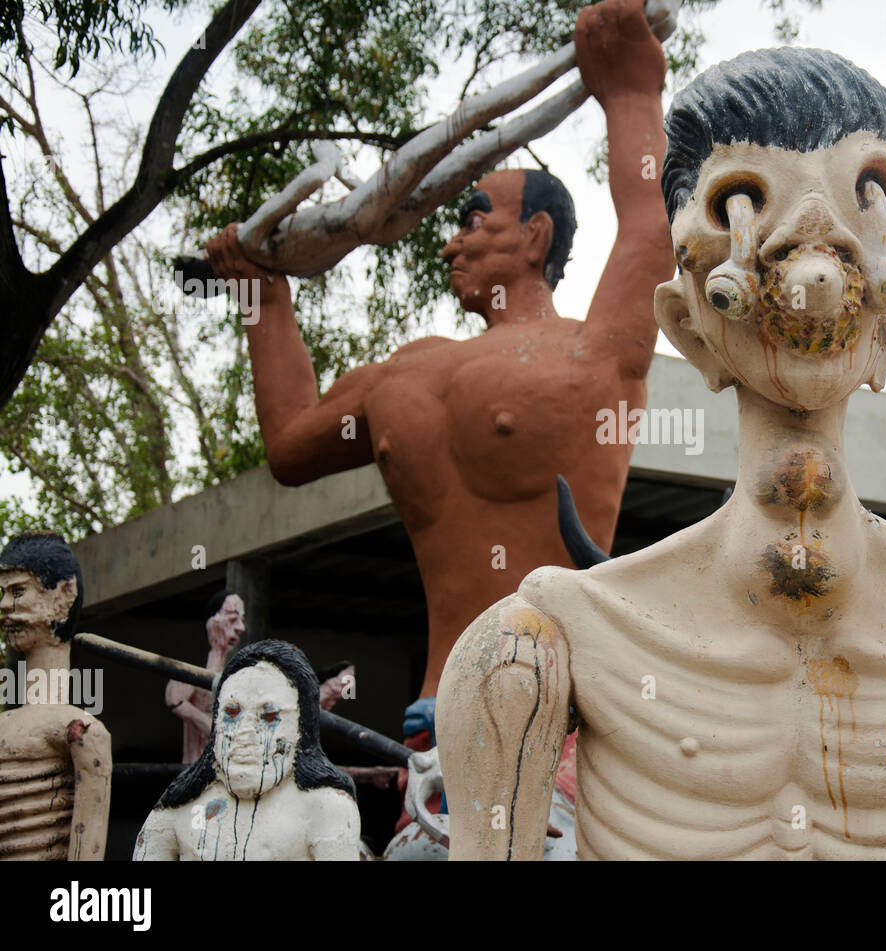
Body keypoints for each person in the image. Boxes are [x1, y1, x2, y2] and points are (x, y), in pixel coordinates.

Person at [434, 47, 886, 860]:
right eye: (743, 199)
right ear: (687, 327)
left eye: (862, 197)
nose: (813, 265)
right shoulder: (542, 646)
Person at [203, 0, 676, 775]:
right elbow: (290, 442)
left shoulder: (595, 355)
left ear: (536, 237)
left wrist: (629, 92)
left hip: (560, 717)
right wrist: (263, 298)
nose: (451, 238)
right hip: (430, 723)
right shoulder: (405, 373)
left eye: (474, 216)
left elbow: (651, 229)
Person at [134, 639, 360, 860]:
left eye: (269, 716)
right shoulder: (176, 810)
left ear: (301, 728)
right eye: (232, 713)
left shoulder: (327, 809)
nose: (245, 733)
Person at [0, 531, 111, 860]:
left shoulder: (81, 731)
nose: (5, 604)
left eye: (19, 590)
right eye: (2, 592)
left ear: (64, 595)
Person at [165, 589, 245, 764]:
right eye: (232, 618)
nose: (240, 627)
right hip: (197, 764)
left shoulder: (235, 678)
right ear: (213, 622)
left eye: (241, 620)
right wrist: (212, 729)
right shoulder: (194, 675)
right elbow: (175, 700)